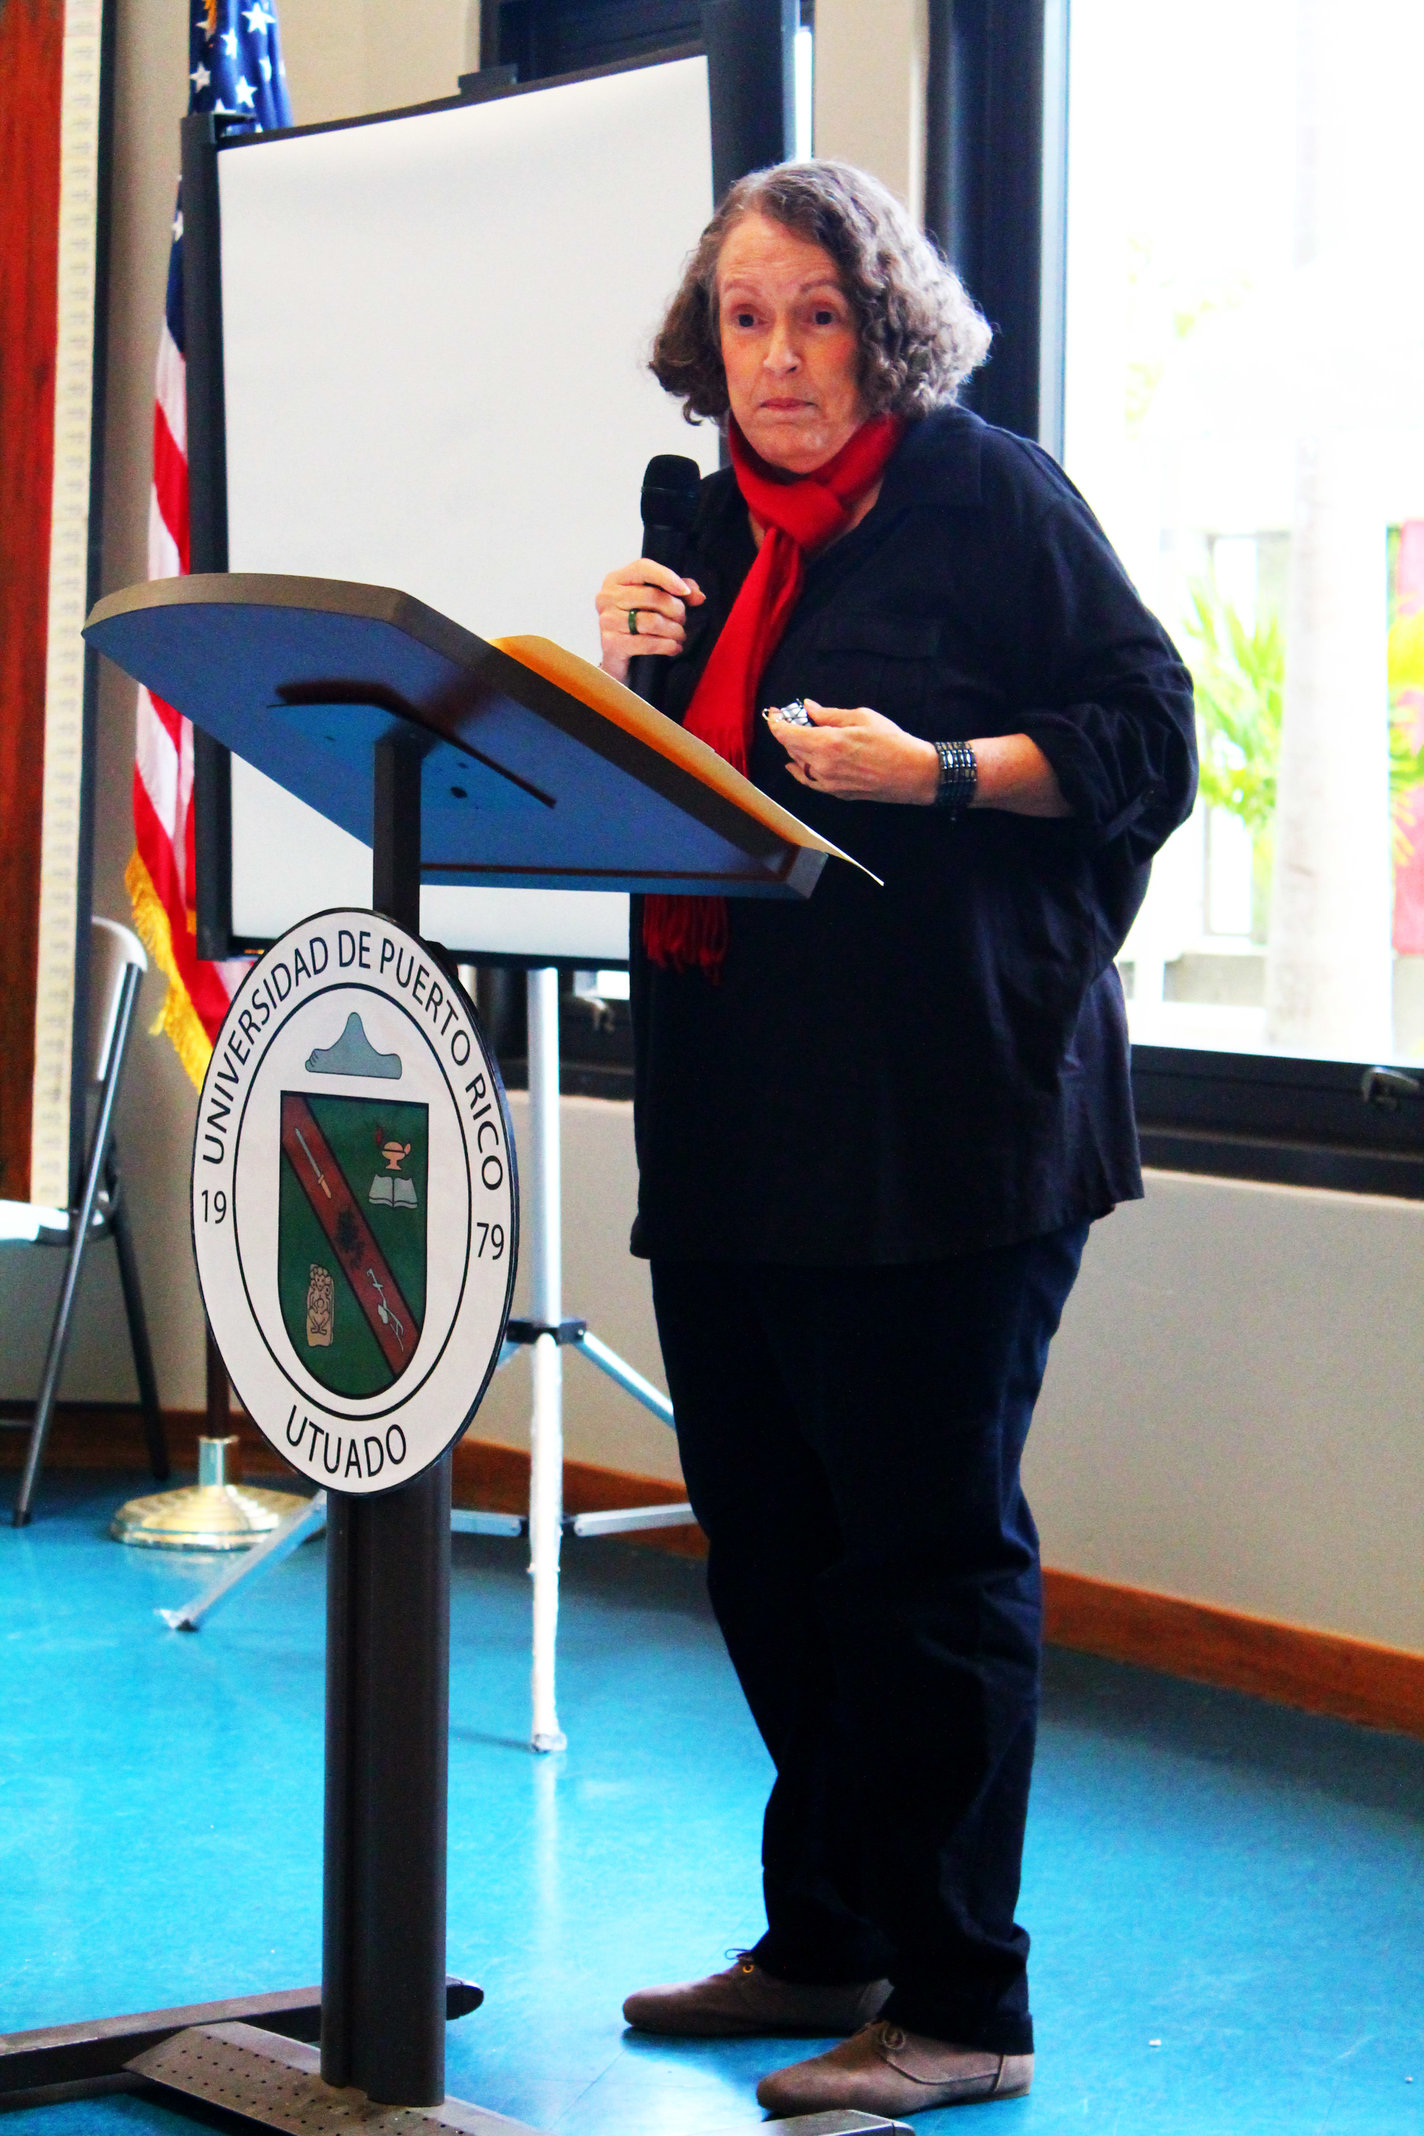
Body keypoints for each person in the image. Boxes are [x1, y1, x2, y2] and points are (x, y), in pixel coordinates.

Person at [594, 161, 1196, 2120]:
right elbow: (673, 808)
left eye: (820, 314)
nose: (779, 355)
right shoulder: (703, 533)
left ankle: (960, 2001)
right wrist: (618, 680)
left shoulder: (989, 500)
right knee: (771, 1551)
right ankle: (829, 1933)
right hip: (739, 1120)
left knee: (921, 1566)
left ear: (887, 327)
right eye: (746, 318)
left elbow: (1148, 738)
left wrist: (932, 770)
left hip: (952, 1121)